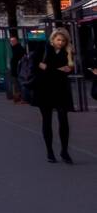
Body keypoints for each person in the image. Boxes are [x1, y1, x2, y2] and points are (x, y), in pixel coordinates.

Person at [32, 29, 75, 164]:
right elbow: (35, 66)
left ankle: (64, 150)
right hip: (44, 90)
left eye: (63, 41)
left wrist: (49, 68)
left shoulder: (67, 52)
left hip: (61, 90)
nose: (60, 43)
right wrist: (57, 70)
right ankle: (50, 151)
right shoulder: (42, 49)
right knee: (47, 120)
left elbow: (68, 69)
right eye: (58, 40)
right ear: (52, 39)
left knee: (63, 120)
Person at [7, 35, 26, 104]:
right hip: (15, 70)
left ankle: (21, 98)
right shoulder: (15, 48)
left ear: (16, 41)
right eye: (11, 41)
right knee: (16, 84)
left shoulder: (19, 49)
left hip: (18, 70)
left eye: (13, 41)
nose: (12, 42)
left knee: (18, 84)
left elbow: (21, 59)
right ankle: (18, 97)